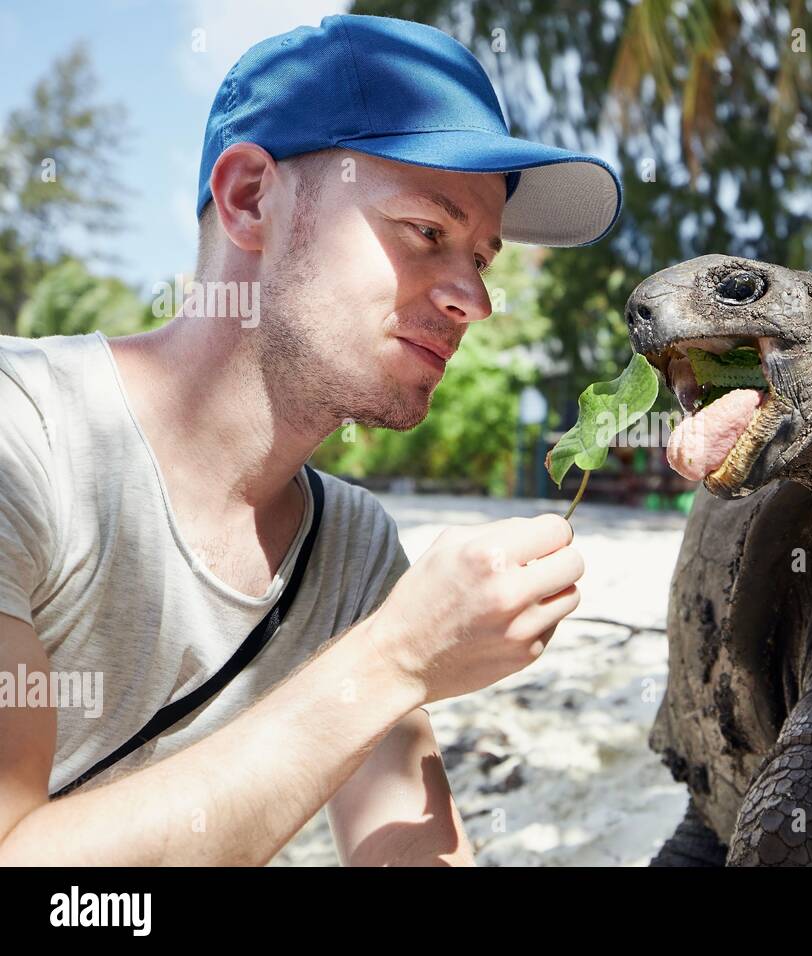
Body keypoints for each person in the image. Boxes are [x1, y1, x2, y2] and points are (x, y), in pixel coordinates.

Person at [0, 14, 622, 866]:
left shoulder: (352, 553)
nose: (474, 302)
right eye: (427, 233)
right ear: (251, 197)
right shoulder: (22, 435)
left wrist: (393, 651)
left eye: (482, 257)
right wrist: (394, 659)